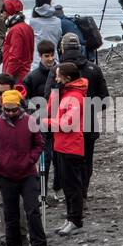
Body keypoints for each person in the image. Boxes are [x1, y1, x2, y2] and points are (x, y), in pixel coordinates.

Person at [0, 89, 50, 246]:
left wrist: (31, 159)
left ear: (19, 106)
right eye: (7, 109)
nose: (11, 112)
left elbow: (39, 143)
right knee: (10, 215)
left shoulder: (30, 121)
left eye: (13, 109)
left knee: (33, 210)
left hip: (28, 173)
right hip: (5, 175)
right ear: (3, 106)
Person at [45, 33, 108, 194]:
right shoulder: (94, 69)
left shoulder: (56, 71)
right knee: (86, 160)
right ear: (80, 48)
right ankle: (83, 192)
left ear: (62, 48)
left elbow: (48, 98)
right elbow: (105, 99)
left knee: (65, 162)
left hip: (65, 126)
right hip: (88, 123)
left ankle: (71, 194)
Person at [43, 61, 88, 236]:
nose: (55, 78)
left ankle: (75, 220)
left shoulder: (75, 97)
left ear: (67, 78)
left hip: (71, 146)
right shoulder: (65, 92)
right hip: (61, 144)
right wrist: (55, 91)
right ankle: (71, 218)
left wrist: (45, 123)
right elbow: (50, 111)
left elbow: (67, 123)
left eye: (58, 75)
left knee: (72, 186)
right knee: (66, 183)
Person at [1, 0, 35, 81]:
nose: (1, 14)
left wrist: (7, 77)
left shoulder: (15, 30)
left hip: (15, 76)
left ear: (8, 12)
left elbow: (15, 56)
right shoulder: (27, 27)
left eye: (2, 11)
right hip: (25, 72)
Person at [29, 0, 64, 66]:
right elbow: (59, 37)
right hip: (54, 58)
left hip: (37, 60)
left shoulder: (33, 22)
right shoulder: (58, 21)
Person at [23, 40, 56, 108]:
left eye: (52, 55)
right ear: (40, 56)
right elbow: (24, 100)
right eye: (47, 56)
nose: (51, 58)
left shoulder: (62, 73)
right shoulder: (31, 77)